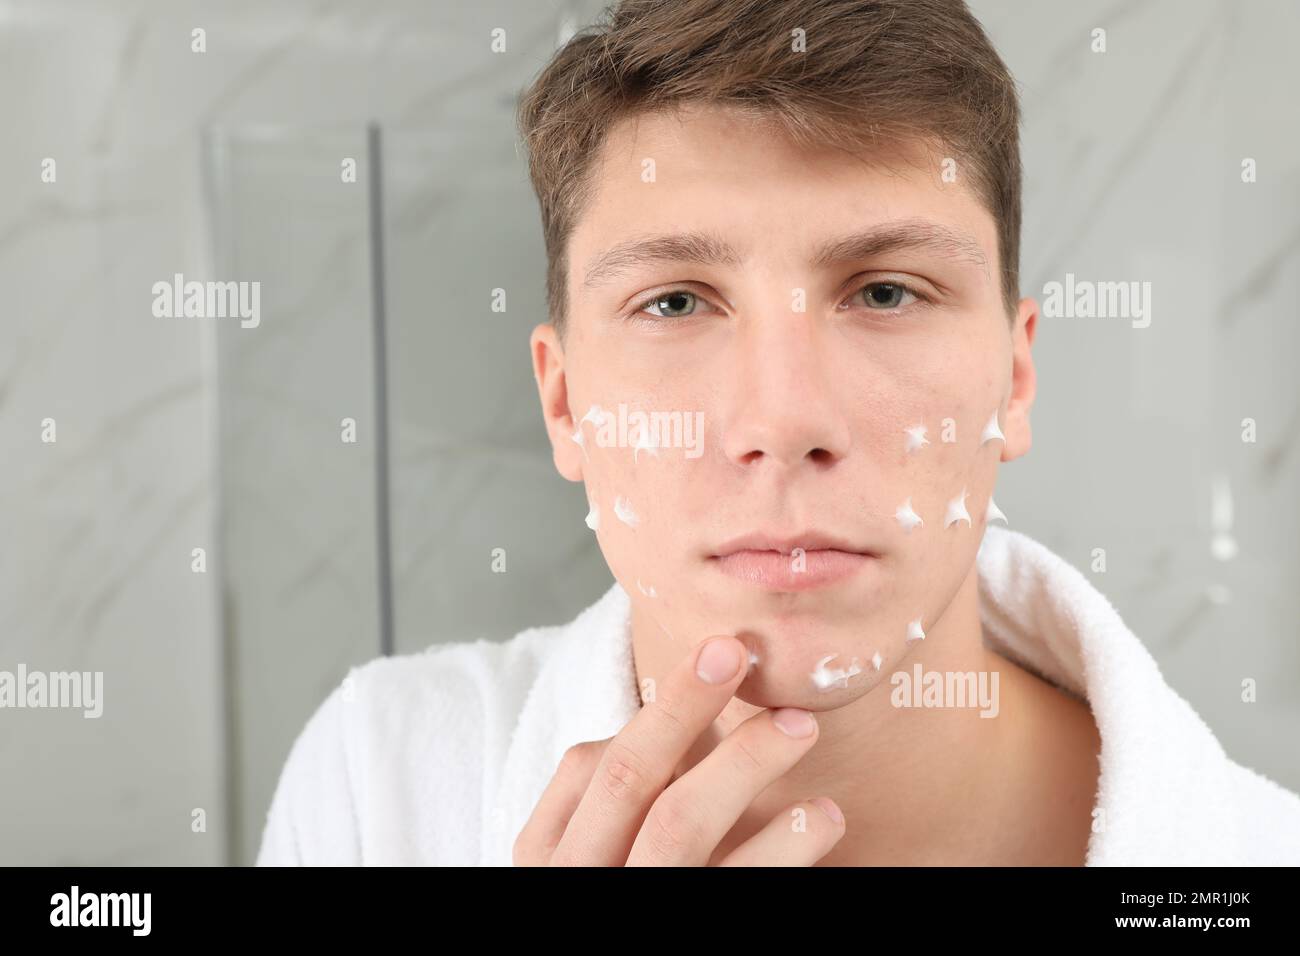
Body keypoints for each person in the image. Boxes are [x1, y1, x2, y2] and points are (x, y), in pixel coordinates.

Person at [256, 0, 1300, 866]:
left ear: (1014, 379)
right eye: (675, 302)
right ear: (564, 403)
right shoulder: (378, 786)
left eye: (886, 291)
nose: (784, 420)